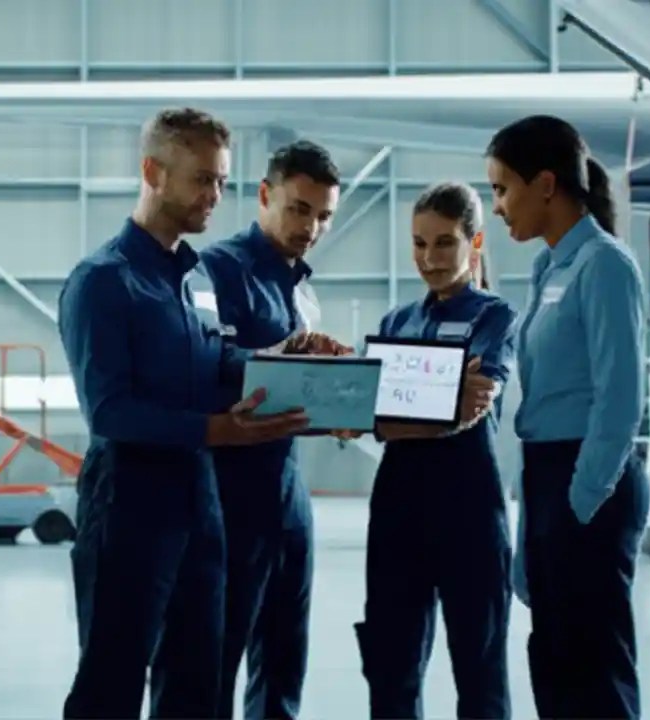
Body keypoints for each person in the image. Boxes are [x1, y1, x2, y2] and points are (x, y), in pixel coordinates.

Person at [57, 107, 315, 719]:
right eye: (203, 180)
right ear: (153, 171)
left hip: (200, 499)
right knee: (112, 679)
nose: (215, 197)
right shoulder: (102, 281)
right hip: (128, 502)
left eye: (223, 181)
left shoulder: (195, 278)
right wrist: (216, 429)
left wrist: (275, 357)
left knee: (198, 678)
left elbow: (214, 357)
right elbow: (110, 410)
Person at [486, 114, 650, 720]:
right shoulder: (550, 267)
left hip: (590, 476)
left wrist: (581, 502)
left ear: (547, 185)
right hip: (550, 475)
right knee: (552, 656)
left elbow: (620, 396)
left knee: (594, 668)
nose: (497, 206)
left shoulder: (605, 265)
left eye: (503, 188)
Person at [352, 181, 516, 720]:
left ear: (476, 241)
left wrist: (390, 414)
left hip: (469, 505)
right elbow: (361, 412)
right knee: (390, 661)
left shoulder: (496, 317)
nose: (430, 258)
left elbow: (469, 409)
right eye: (419, 244)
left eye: (444, 243)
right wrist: (435, 400)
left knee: (479, 665)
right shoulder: (397, 323)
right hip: (399, 506)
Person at [198, 140, 350, 720]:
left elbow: (293, 389)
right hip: (232, 492)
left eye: (324, 215)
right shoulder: (218, 270)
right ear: (265, 195)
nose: (311, 227)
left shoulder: (300, 289)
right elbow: (211, 368)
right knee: (219, 651)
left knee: (285, 653)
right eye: (299, 208)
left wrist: (337, 387)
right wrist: (283, 355)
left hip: (289, 491)